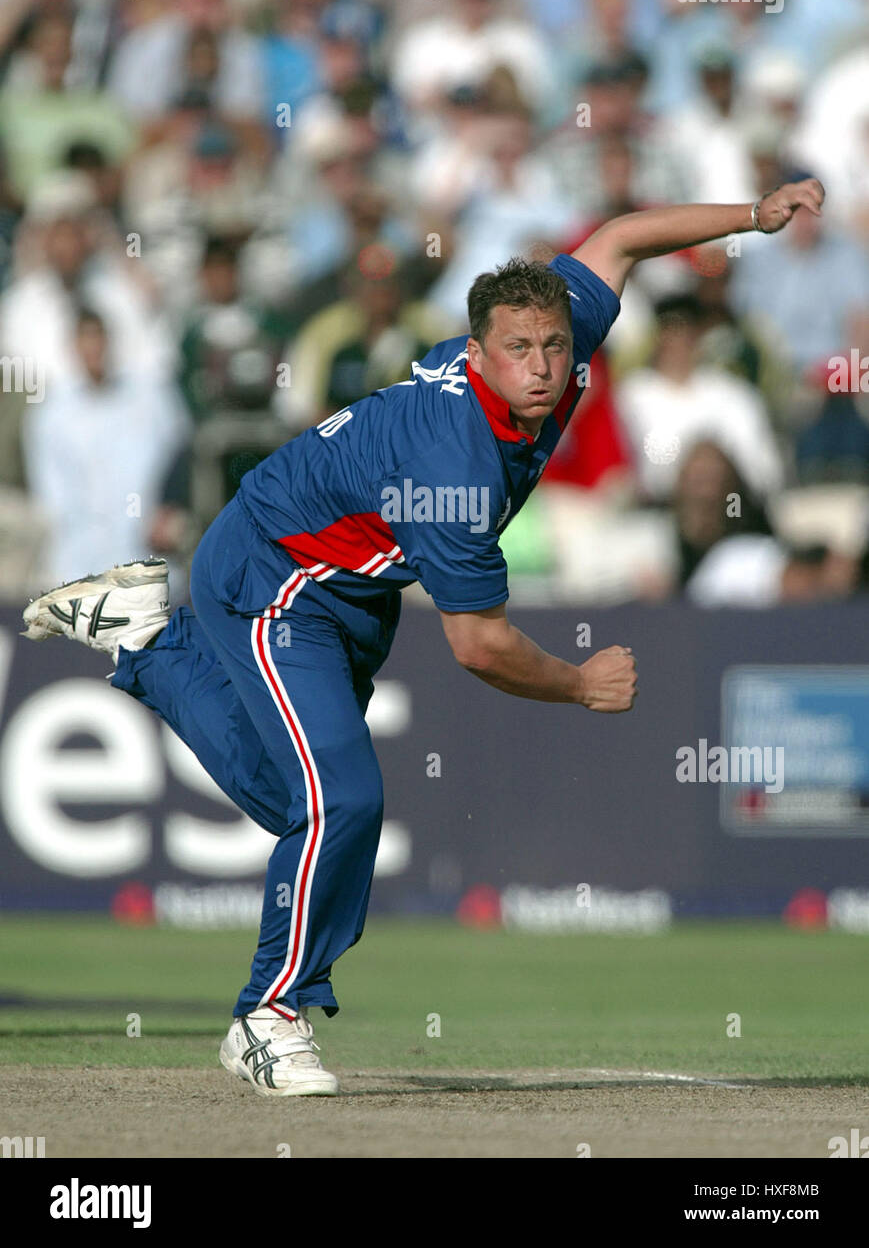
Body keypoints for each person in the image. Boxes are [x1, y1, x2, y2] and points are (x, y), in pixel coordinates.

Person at [21, 177, 825, 1097]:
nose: (541, 366)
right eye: (517, 349)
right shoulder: (457, 465)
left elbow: (621, 237)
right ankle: (267, 1014)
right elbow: (479, 648)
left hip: (350, 585)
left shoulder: (553, 341)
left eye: (554, 346)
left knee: (306, 804)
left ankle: (149, 641)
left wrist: (750, 218)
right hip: (273, 574)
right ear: (476, 357)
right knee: (343, 803)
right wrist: (578, 683)